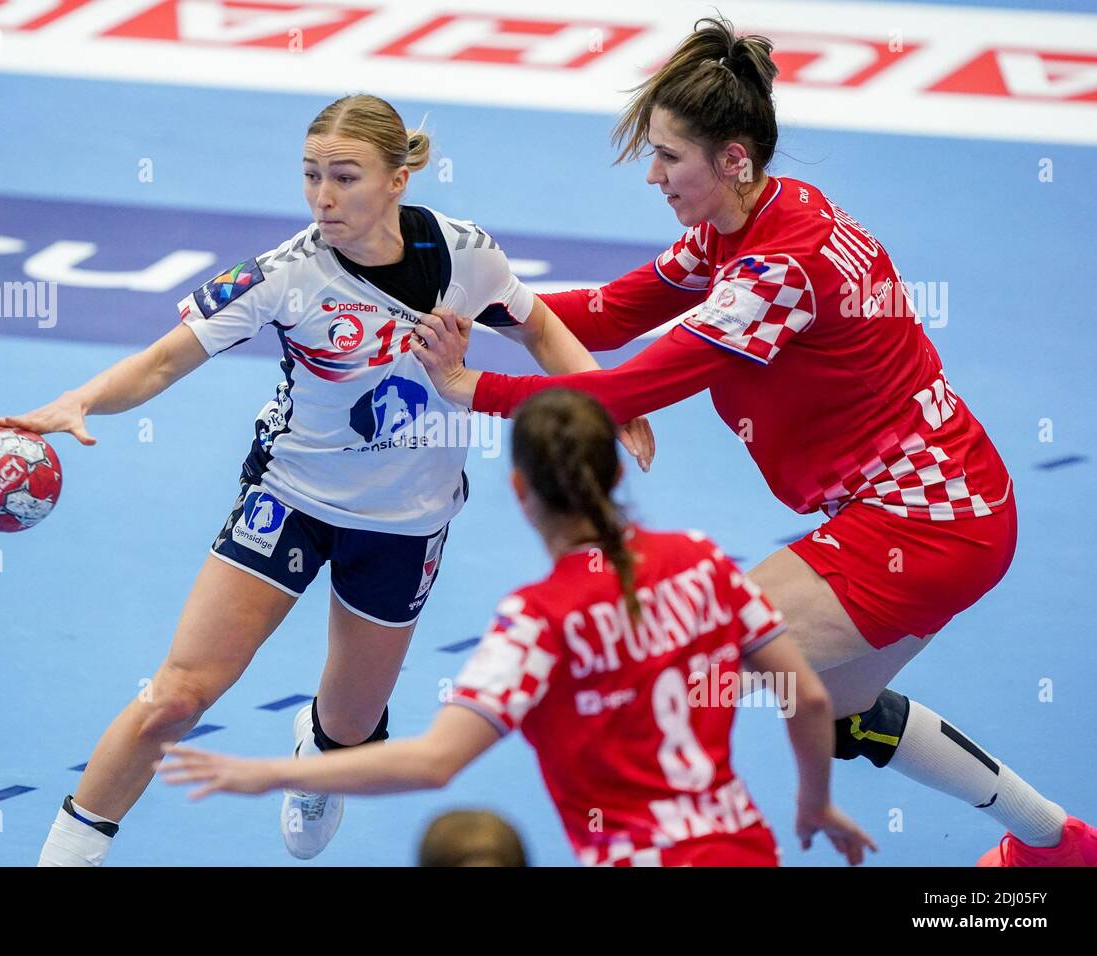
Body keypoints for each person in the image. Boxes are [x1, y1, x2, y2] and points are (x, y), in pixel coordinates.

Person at [407, 17, 1096, 867]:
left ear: (733, 157)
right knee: (838, 711)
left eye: (668, 158)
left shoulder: (778, 271)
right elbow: (611, 311)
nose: (652, 175)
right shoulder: (752, 218)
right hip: (941, 503)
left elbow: (631, 386)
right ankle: (1053, 846)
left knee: (692, 653)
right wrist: (469, 294)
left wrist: (474, 387)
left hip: (923, 525)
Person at [0, 93, 646, 865]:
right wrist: (82, 399)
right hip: (291, 496)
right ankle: (68, 855)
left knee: (352, 728)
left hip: (406, 519)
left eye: (345, 177)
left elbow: (539, 327)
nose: (323, 197)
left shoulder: (466, 254)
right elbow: (165, 359)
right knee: (178, 697)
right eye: (310, 176)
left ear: (399, 179)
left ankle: (319, 756)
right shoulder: (285, 275)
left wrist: (612, 398)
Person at [158, 390, 876, 867]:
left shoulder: (538, 623)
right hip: (745, 848)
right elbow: (808, 699)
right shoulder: (704, 564)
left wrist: (270, 772)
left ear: (520, 491)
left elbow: (432, 762)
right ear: (612, 473)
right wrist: (816, 804)